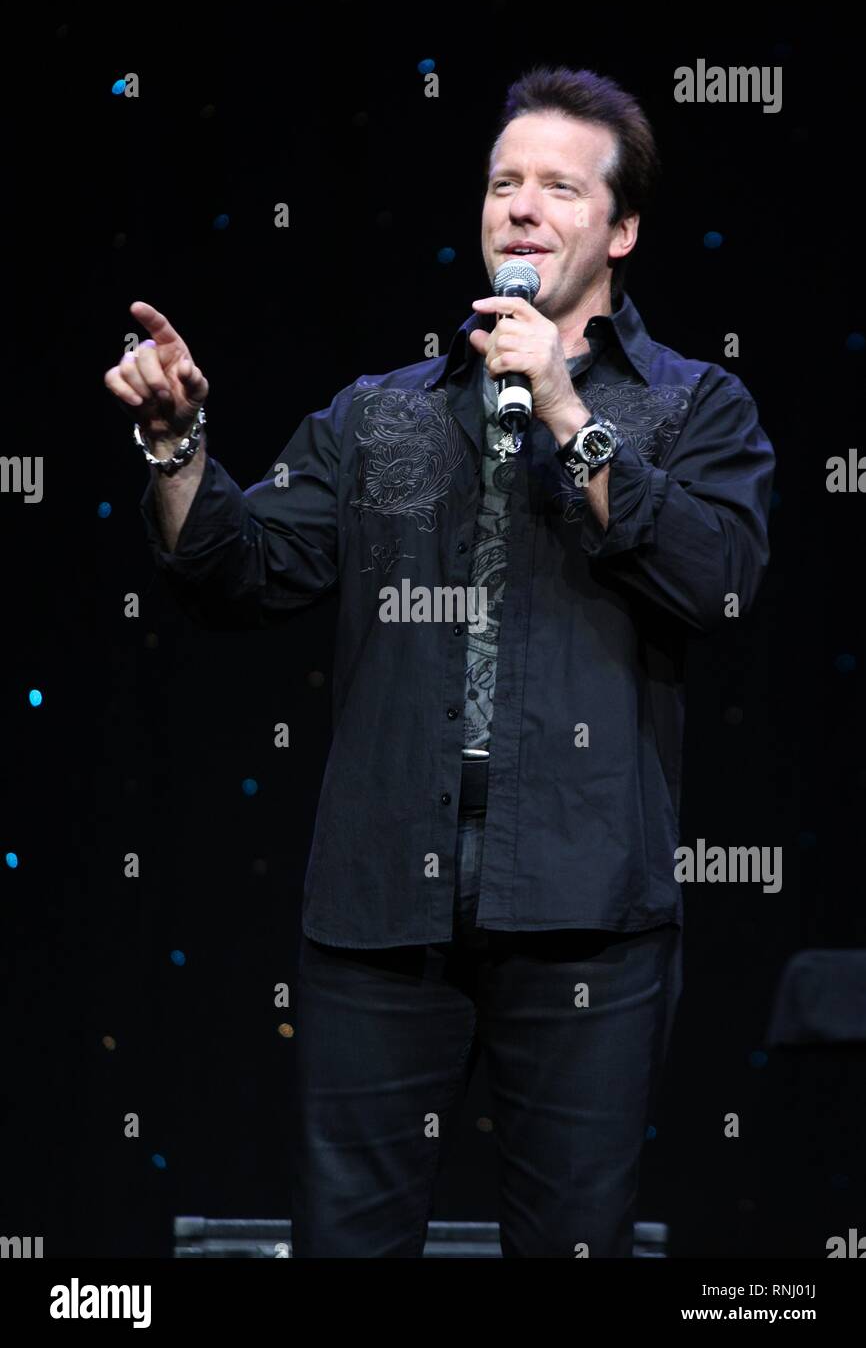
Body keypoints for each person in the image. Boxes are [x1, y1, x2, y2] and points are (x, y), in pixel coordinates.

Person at [104, 66, 775, 1257]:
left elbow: (718, 576)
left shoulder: (693, 405)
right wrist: (177, 443)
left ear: (619, 231)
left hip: (585, 916)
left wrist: (569, 414)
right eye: (501, 182)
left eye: (558, 186)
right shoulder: (384, 412)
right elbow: (235, 567)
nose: (519, 205)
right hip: (379, 915)